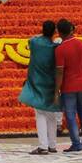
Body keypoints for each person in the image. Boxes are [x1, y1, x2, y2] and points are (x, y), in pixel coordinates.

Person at [17, 20, 62, 154]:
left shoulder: (35, 43)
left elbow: (31, 40)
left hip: (37, 83)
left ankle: (43, 146)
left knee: (40, 114)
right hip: (51, 84)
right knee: (51, 114)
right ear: (54, 32)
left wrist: (43, 34)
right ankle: (52, 145)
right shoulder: (55, 47)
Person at [55, 19, 82, 152]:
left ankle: (76, 143)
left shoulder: (60, 49)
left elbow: (59, 71)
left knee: (70, 115)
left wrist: (56, 90)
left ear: (59, 33)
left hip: (68, 86)